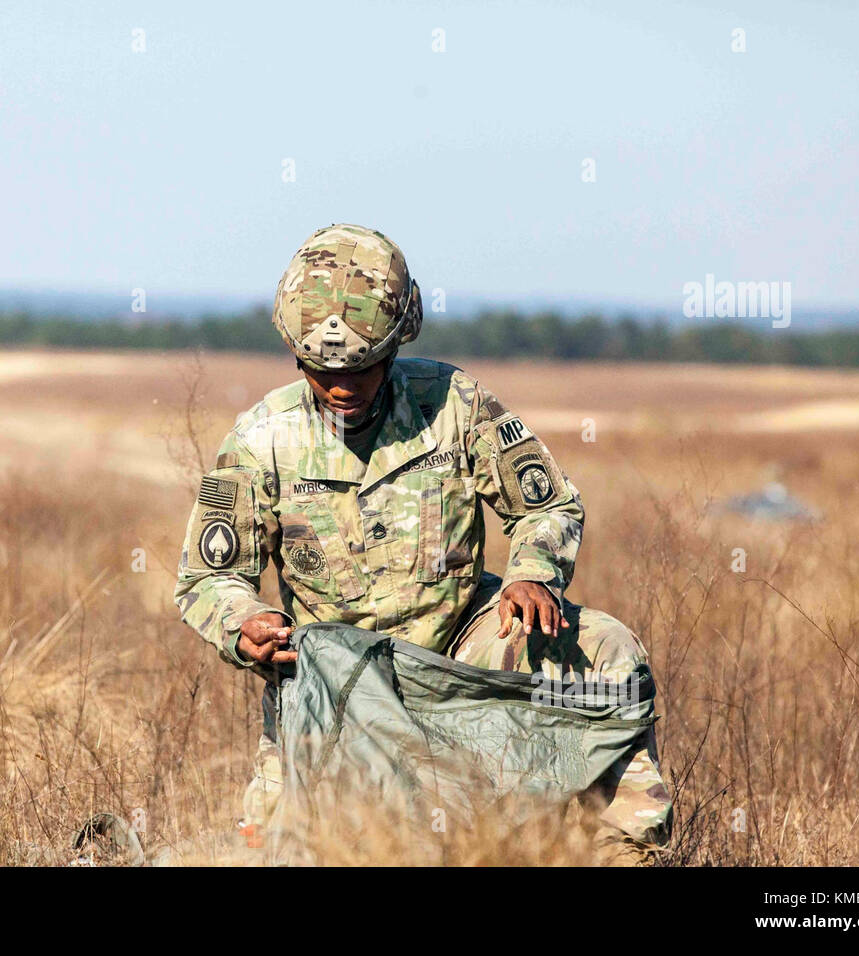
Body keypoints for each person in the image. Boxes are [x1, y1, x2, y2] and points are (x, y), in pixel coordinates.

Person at [174, 224, 671, 863]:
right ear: (296, 358)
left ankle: (626, 853)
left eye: (362, 366)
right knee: (276, 850)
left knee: (605, 651)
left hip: (466, 652)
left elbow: (546, 504)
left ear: (396, 345)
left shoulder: (454, 404)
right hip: (337, 681)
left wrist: (534, 574)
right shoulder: (261, 439)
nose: (343, 386)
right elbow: (208, 578)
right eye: (324, 372)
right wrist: (246, 624)